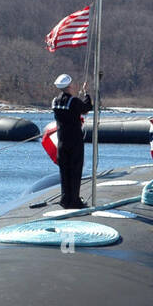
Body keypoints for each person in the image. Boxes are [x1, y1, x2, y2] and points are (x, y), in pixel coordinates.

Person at [51, 73, 93, 208]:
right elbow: (87, 108)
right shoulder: (73, 101)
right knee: (75, 171)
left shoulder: (55, 101)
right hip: (74, 142)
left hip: (61, 142)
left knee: (64, 172)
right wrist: (86, 93)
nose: (74, 86)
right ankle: (74, 201)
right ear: (69, 86)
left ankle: (65, 199)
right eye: (72, 84)